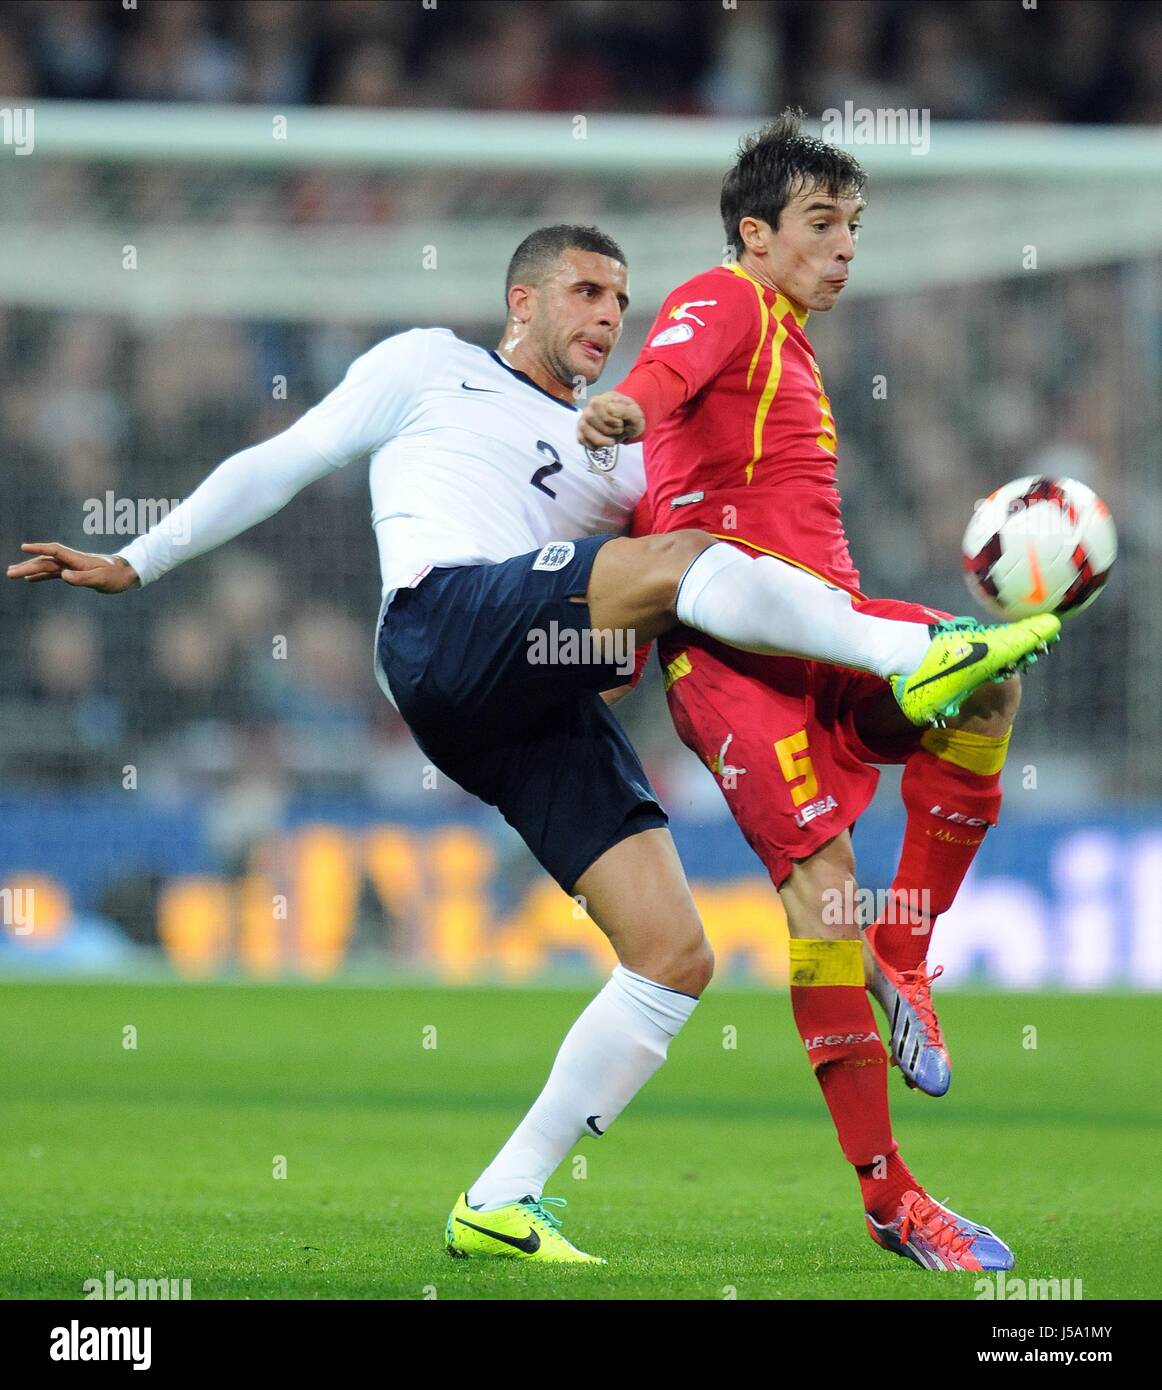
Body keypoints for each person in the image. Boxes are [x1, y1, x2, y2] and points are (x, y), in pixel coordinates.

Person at [10, 223, 1051, 1267]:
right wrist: (141, 561)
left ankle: (502, 1198)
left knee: (673, 955)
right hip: (441, 623)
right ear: (521, 301)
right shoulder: (429, 365)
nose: (607, 314)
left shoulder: (626, 453)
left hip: (526, 700)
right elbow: (284, 459)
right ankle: (902, 652)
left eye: (619, 299)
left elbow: (686, 608)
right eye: (585, 291)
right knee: (681, 557)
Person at [578, 116, 1054, 1270]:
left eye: (855, 228)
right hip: (735, 661)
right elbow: (668, 362)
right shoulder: (729, 298)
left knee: (984, 683)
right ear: (757, 234)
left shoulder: (793, 339)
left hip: (833, 637)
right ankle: (889, 1193)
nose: (845, 248)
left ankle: (910, 950)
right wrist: (632, 407)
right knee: (825, 894)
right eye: (821, 225)